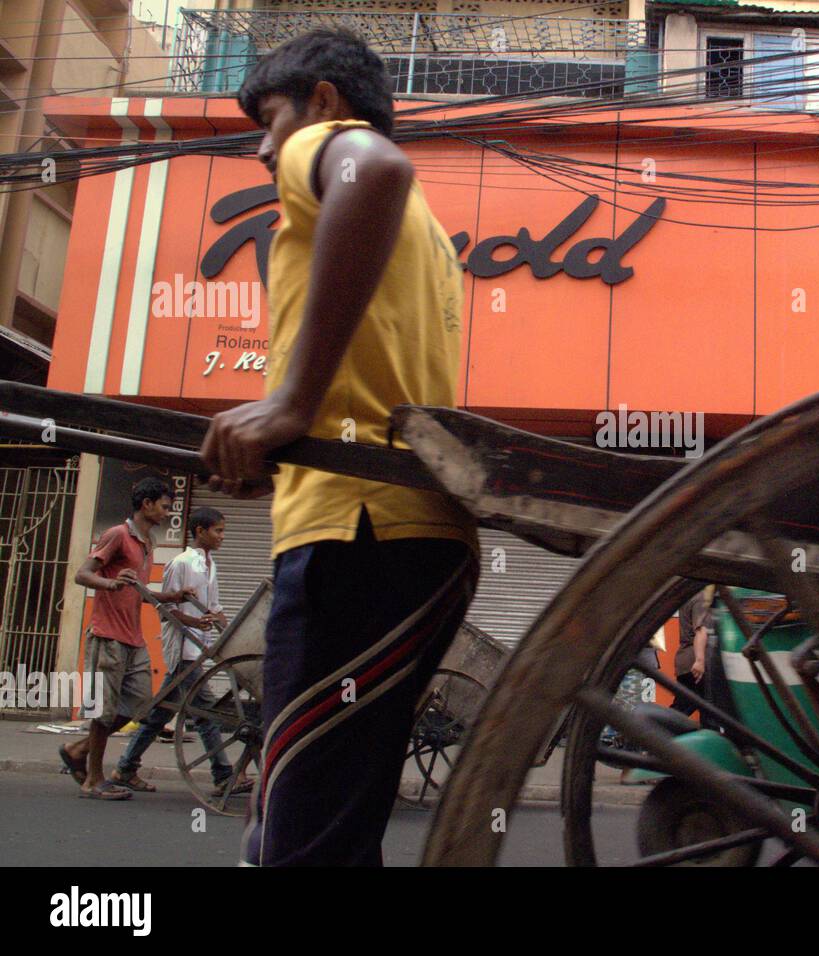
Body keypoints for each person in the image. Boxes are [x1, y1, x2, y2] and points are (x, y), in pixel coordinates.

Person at [199, 29, 478, 865]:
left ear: (322, 101)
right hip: (399, 534)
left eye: (270, 120)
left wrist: (289, 403)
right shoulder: (422, 233)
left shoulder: (339, 149)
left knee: (303, 840)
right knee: (306, 822)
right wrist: (285, 440)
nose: (262, 148)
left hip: (360, 532)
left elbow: (379, 166)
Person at [58, 476, 195, 800]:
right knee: (104, 712)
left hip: (133, 639)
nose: (167, 513)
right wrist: (110, 584)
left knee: (138, 704)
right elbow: (82, 574)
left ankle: (76, 749)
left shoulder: (147, 542)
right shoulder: (118, 535)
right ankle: (94, 779)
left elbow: (141, 591)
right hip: (108, 637)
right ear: (146, 505)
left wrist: (174, 597)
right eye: (164, 506)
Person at [111, 507, 251, 798]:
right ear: (200, 532)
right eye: (219, 531)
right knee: (206, 713)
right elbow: (166, 609)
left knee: (160, 713)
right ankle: (224, 775)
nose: (222, 536)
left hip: (199, 647)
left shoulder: (210, 565)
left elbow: (215, 608)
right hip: (184, 648)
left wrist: (234, 634)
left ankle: (125, 767)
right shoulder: (181, 563)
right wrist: (195, 622)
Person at [671, 585, 719, 729]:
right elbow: (700, 632)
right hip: (695, 662)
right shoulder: (700, 599)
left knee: (688, 705)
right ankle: (653, 734)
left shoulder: (690, 598)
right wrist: (699, 661)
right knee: (692, 706)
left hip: (686, 660)